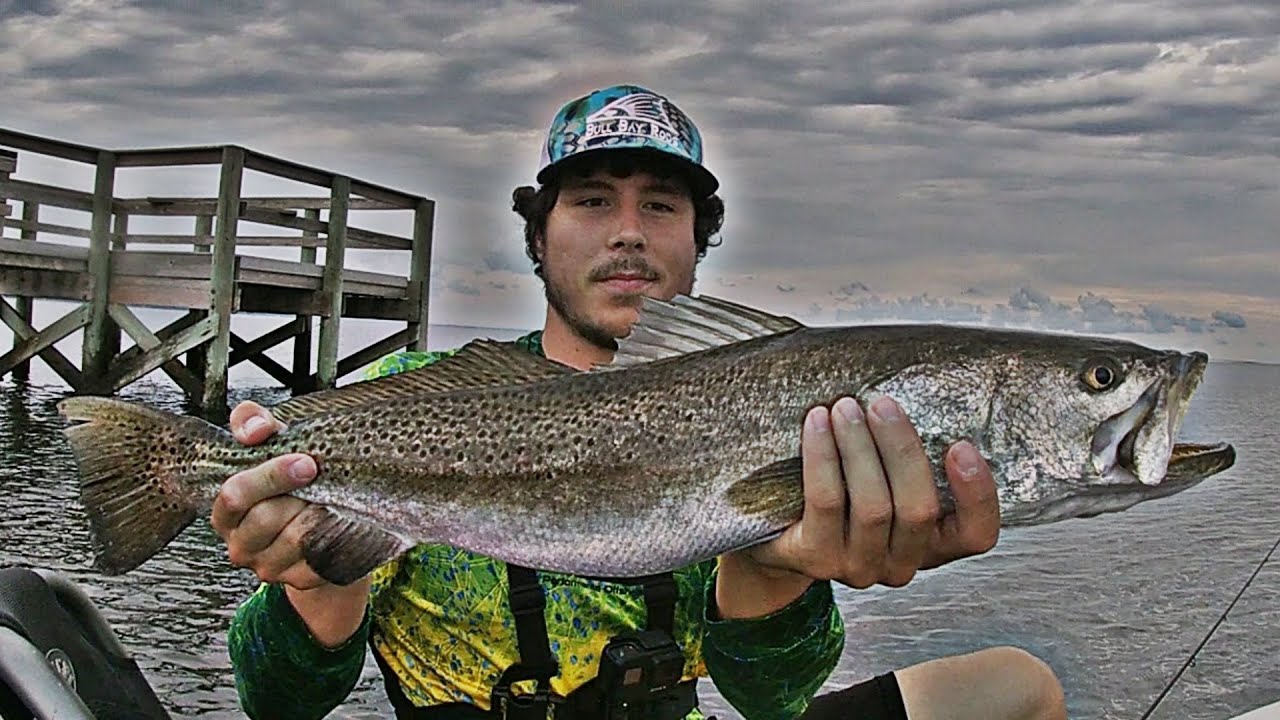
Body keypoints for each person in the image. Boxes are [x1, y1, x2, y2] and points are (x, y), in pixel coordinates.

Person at [218, 84, 1067, 720]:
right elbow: (278, 702)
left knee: (1018, 690)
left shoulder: (772, 403)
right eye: (592, 201)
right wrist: (318, 583)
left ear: (698, 241)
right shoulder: (392, 403)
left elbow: (772, 696)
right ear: (539, 235)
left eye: (660, 206)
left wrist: (775, 566)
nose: (628, 231)